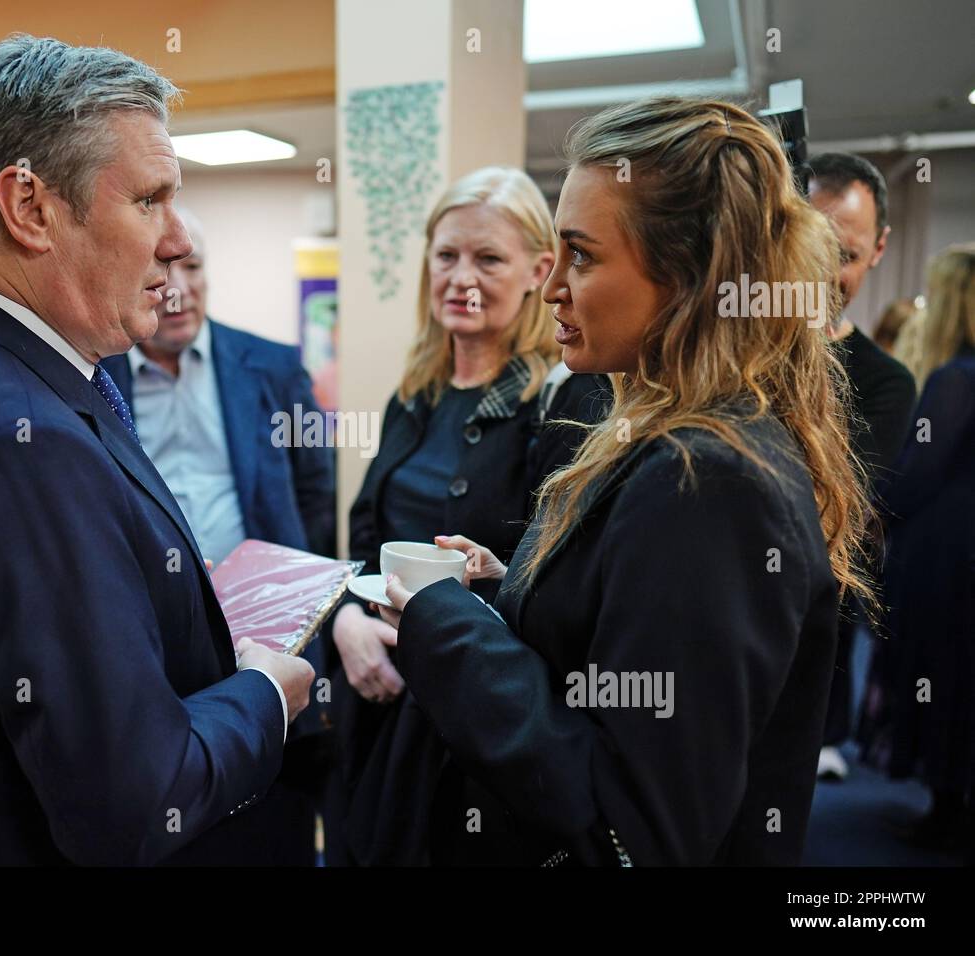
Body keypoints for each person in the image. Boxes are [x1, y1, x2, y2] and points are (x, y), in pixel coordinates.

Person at [0, 34, 313, 866]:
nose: (177, 244)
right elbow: (134, 803)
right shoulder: (20, 442)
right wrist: (265, 694)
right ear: (30, 208)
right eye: (150, 201)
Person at [377, 97, 873, 866]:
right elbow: (615, 656)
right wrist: (508, 596)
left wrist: (447, 624)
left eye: (582, 255)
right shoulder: (666, 437)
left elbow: (631, 824)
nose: (553, 290)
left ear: (685, 276)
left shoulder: (708, 478)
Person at [328, 166, 611, 865]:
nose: (463, 277)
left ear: (539, 271)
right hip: (377, 703)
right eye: (447, 255)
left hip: (468, 728)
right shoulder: (414, 395)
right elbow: (363, 541)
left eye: (489, 259)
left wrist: (472, 596)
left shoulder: (564, 402)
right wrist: (347, 623)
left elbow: (565, 593)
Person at [101, 206, 336, 865]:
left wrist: (299, 596)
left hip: (268, 630)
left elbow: (315, 493)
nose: (177, 288)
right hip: (157, 642)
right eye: (160, 270)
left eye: (192, 267)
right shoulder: (98, 376)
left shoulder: (271, 365)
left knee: (272, 821)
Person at [807, 152, 917, 780]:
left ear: (878, 250)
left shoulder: (885, 382)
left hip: (804, 630)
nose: (822, 274)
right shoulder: (725, 349)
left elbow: (829, 506)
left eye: (843, 256)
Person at [866, 243, 975, 853]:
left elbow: (917, 473)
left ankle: (948, 807)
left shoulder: (955, 377)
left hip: (946, 557)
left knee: (942, 674)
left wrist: (867, 501)